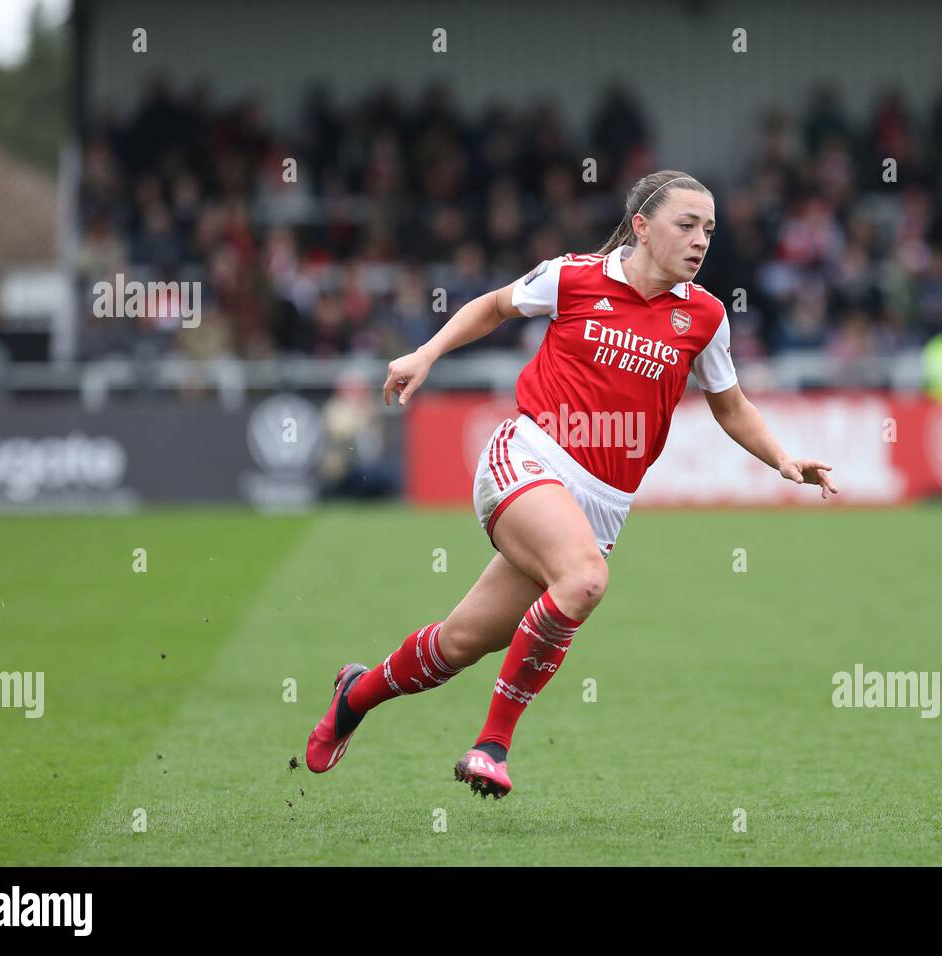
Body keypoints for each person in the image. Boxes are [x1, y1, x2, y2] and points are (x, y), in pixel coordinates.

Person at [304, 170, 840, 797]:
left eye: (710, 230)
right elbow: (495, 306)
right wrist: (424, 354)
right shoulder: (575, 276)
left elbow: (730, 405)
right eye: (686, 225)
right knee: (585, 580)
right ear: (641, 226)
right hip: (528, 459)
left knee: (457, 645)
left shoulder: (705, 317)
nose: (701, 241)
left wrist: (782, 458)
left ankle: (354, 695)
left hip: (602, 507)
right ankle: (491, 746)